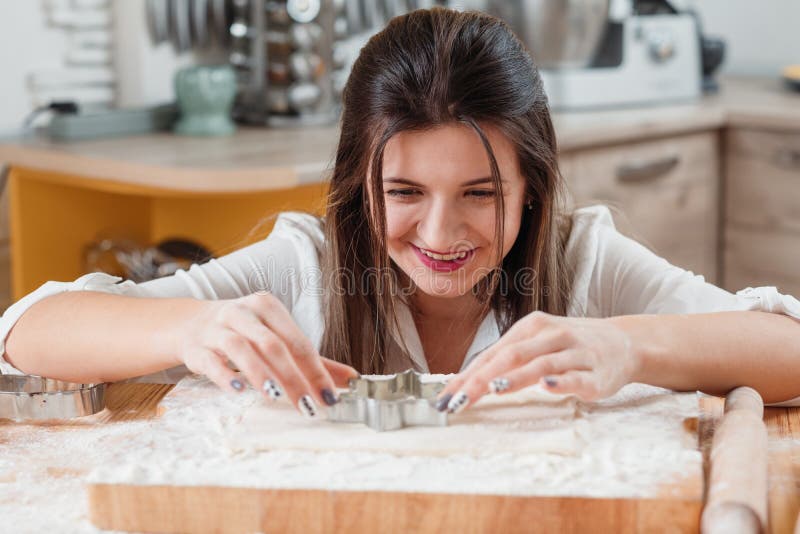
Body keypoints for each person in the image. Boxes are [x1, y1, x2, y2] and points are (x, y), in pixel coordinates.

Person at [2, 8, 799, 419]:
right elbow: (27, 329)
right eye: (406, 194)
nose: (443, 235)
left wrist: (627, 345)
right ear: (361, 185)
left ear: (533, 189)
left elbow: (787, 349)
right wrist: (181, 332)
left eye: (481, 194)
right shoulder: (303, 269)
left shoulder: (586, 262)